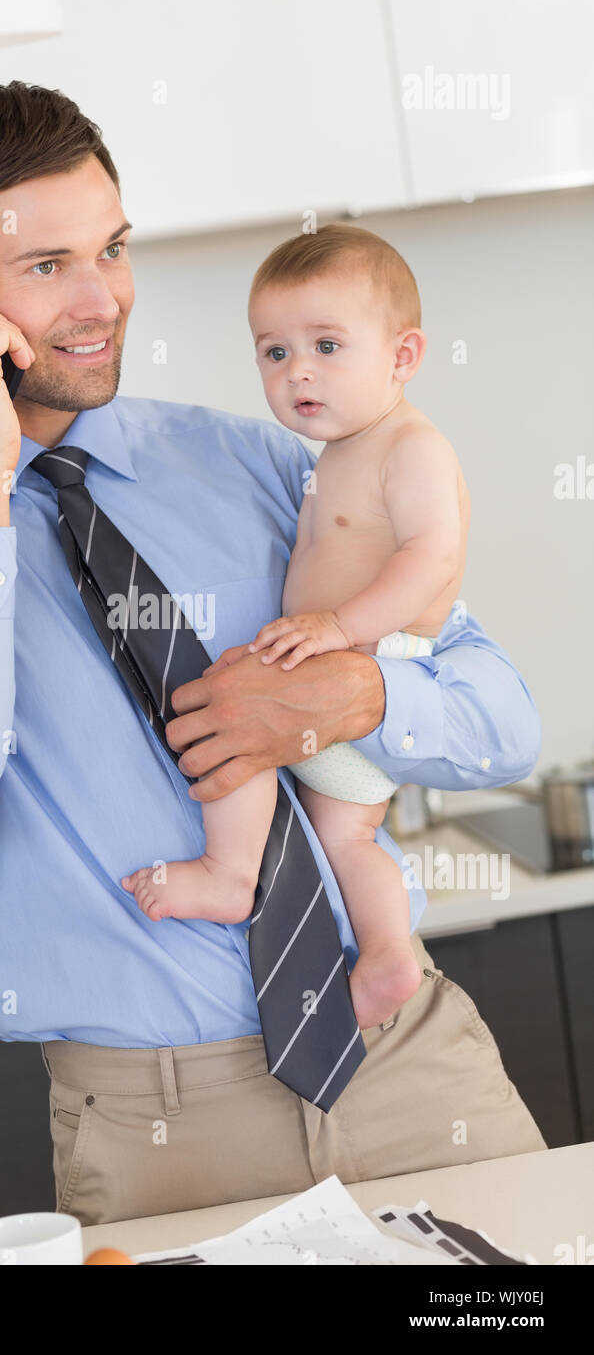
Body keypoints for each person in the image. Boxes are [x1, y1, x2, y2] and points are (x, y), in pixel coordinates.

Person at [0, 81, 546, 1227]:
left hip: (404, 1055)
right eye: (46, 266)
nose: (100, 303)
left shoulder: (268, 459)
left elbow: (502, 722)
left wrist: (354, 694)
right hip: (161, 1130)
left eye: (114, 248)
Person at [122, 224, 470, 1034]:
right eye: (274, 353)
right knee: (349, 839)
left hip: (368, 657)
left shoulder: (410, 446)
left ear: (403, 355)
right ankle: (387, 951)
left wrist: (335, 627)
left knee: (231, 712)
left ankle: (226, 871)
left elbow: (433, 556)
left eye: (326, 345)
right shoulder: (336, 451)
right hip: (349, 656)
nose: (297, 370)